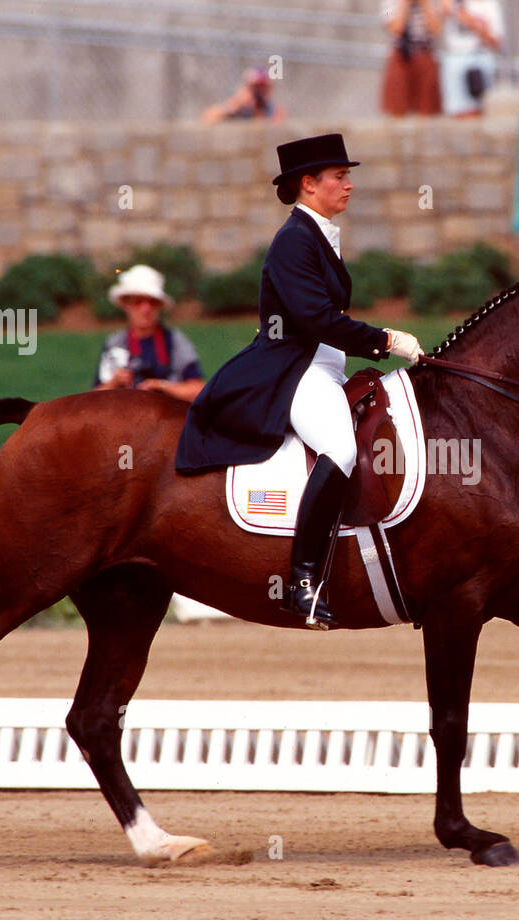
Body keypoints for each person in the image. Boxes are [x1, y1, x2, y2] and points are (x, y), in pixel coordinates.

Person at [174, 134, 424, 629]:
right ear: (309, 184)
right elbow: (316, 319)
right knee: (341, 449)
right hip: (295, 367)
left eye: (347, 176)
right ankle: (303, 582)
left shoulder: (318, 233)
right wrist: (386, 340)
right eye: (340, 177)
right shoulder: (294, 240)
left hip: (324, 364)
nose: (349, 185)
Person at [93, 265, 205, 402]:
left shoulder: (174, 340)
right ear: (125, 304)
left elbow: (198, 391)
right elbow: (94, 400)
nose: (145, 309)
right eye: (138, 302)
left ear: (160, 307)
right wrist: (115, 382)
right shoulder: (115, 344)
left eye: (152, 303)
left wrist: (161, 386)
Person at [439, 0, 505, 117]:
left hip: (481, 58)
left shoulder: (489, 4)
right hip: (455, 58)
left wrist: (473, 24)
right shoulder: (450, 3)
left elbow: (496, 41)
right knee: (458, 113)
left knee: (481, 111)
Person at [381, 0, 444, 116]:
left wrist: (424, 4)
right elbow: (395, 28)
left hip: (425, 54)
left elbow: (436, 29)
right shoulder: (390, 2)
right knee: (397, 108)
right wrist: (405, 4)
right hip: (400, 56)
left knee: (427, 109)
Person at [200, 67, 286, 124]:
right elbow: (207, 118)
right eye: (255, 87)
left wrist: (260, 111)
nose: (259, 91)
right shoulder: (238, 107)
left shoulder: (273, 110)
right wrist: (234, 105)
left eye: (263, 87)